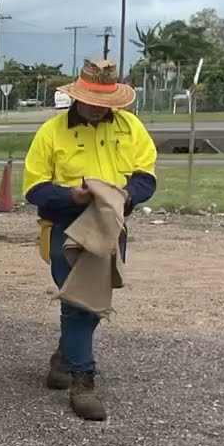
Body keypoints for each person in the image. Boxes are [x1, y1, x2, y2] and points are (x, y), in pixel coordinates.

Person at [22, 58, 157, 421]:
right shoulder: (51, 132)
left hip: (110, 228)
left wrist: (126, 195)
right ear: (78, 96)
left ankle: (64, 358)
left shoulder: (131, 128)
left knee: (93, 304)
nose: (99, 108)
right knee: (79, 303)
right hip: (66, 228)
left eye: (107, 102)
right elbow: (34, 189)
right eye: (93, 100)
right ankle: (84, 381)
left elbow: (147, 176)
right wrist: (72, 196)